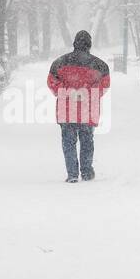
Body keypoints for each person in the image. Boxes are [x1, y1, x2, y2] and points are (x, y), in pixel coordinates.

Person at [47, 30, 110, 183]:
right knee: (87, 141)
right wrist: (88, 92)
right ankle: (87, 172)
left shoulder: (60, 63)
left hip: (66, 110)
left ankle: (72, 173)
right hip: (88, 111)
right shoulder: (99, 65)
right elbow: (105, 84)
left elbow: (51, 82)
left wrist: (67, 91)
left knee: (68, 142)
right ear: (89, 44)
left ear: (75, 43)